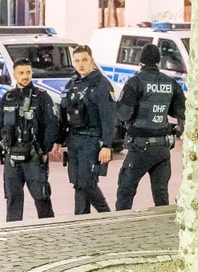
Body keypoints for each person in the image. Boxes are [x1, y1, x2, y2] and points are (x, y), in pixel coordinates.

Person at [0, 58, 58, 222]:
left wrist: (44, 151)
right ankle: (13, 235)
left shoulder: (42, 97)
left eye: (28, 72)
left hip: (34, 157)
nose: (25, 76)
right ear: (14, 74)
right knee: (13, 199)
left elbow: (51, 126)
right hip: (12, 157)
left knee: (41, 197)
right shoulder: (7, 98)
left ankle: (50, 232)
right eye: (21, 73)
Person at [115, 44, 186, 210]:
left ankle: (120, 227)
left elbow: (124, 113)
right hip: (162, 148)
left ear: (140, 61)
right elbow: (181, 112)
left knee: (125, 191)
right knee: (161, 194)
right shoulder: (171, 83)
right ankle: (163, 230)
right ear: (158, 61)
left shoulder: (135, 82)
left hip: (140, 147)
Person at [57, 45, 116, 215]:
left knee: (86, 183)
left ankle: (106, 214)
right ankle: (81, 221)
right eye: (77, 61)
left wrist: (107, 145)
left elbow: (108, 118)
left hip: (92, 140)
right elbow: (64, 113)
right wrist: (59, 141)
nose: (81, 64)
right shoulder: (73, 83)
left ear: (91, 60)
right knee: (78, 183)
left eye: (84, 60)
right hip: (74, 139)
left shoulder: (101, 84)